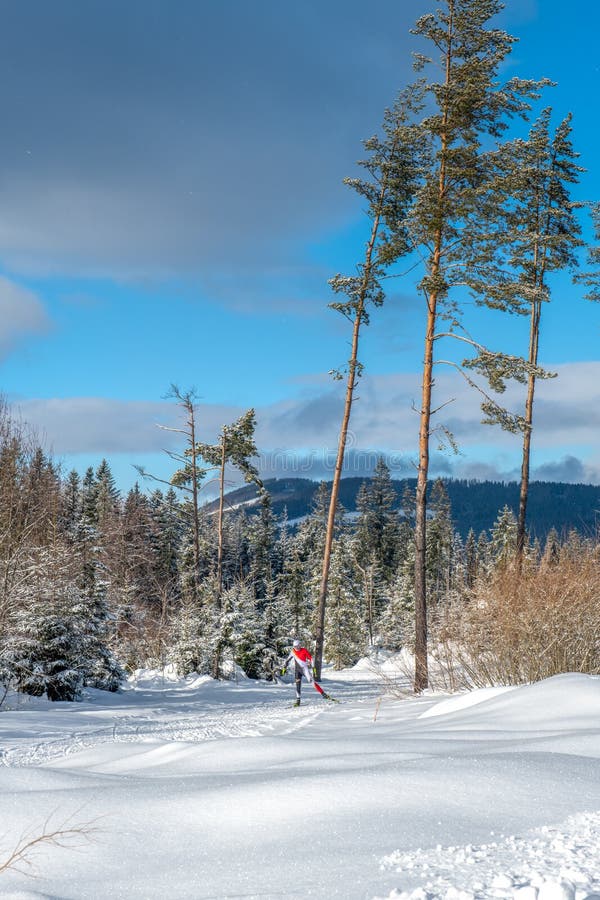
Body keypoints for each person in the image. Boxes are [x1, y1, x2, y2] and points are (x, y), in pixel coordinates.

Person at [281, 639, 331, 706]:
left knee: (312, 682)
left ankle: (324, 694)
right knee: (298, 685)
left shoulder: (304, 650)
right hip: (297, 671)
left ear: (300, 645)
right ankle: (298, 701)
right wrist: (284, 668)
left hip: (305, 670)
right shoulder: (293, 652)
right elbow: (287, 661)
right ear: (293, 647)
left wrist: (313, 668)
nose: (297, 648)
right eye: (295, 647)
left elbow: (310, 658)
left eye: (298, 646)